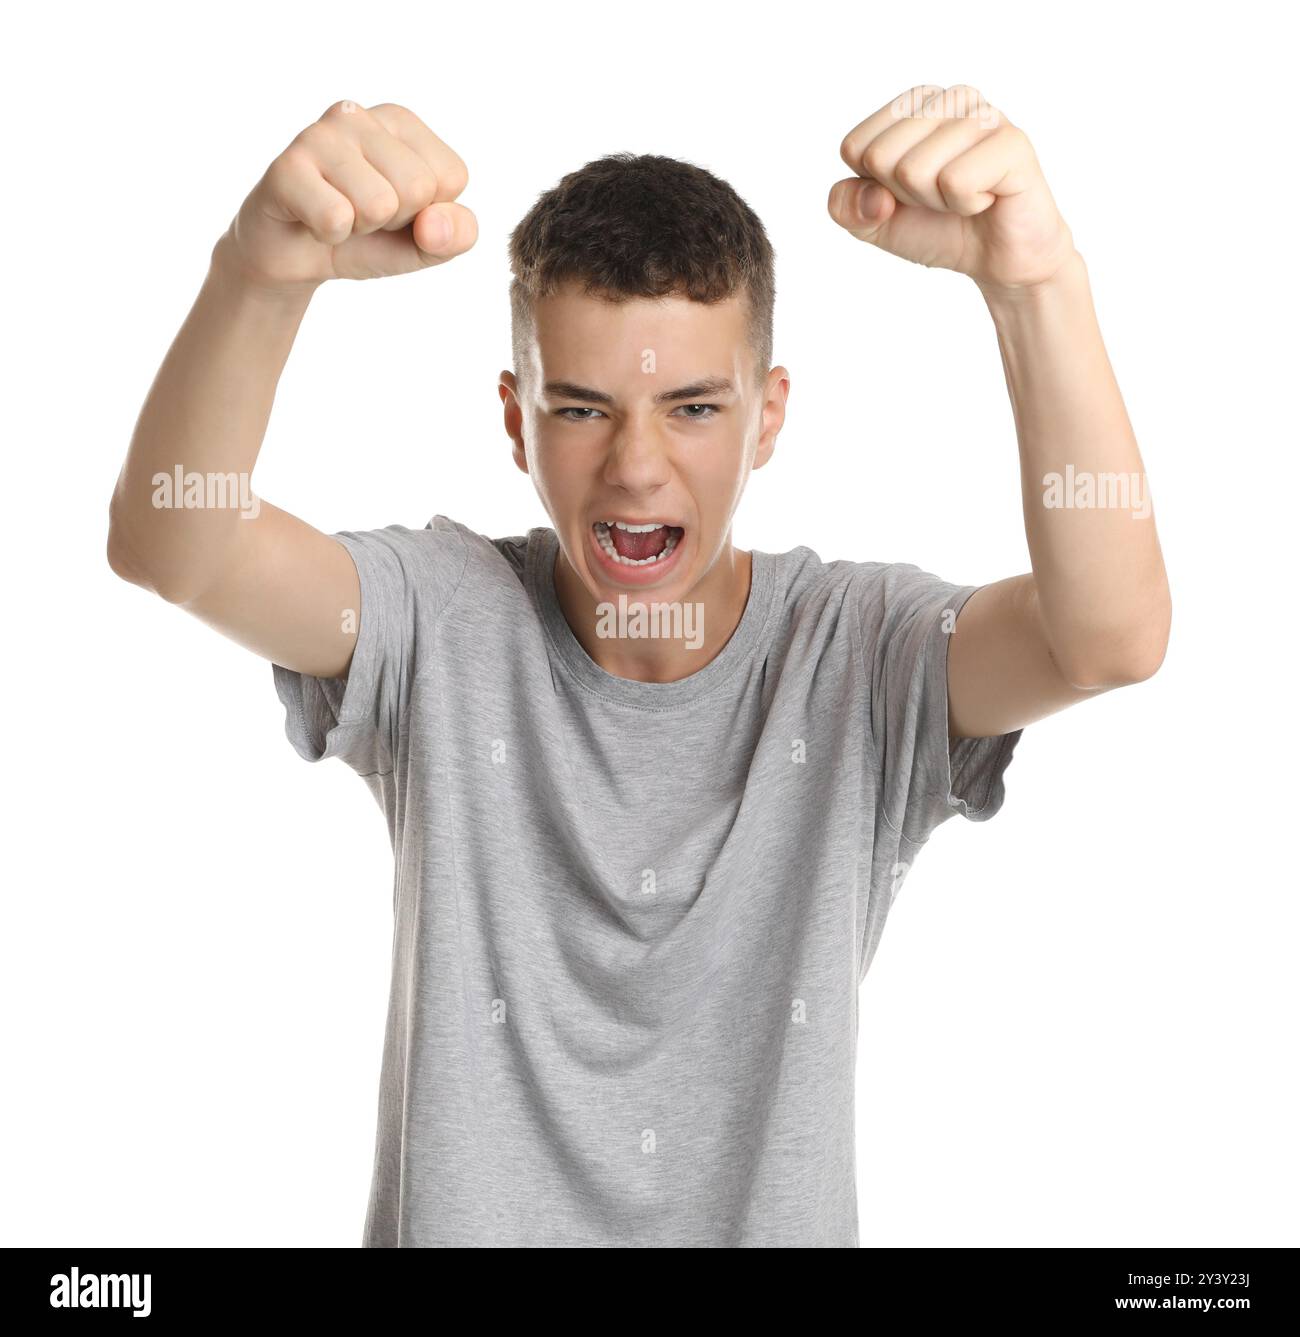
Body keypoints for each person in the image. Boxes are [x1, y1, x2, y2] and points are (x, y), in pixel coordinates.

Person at [107, 87, 1171, 1248]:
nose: (636, 467)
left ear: (767, 419)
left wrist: (1037, 287)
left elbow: (1107, 637)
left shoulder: (854, 653)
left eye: (694, 407)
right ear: (515, 423)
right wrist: (259, 274)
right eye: (581, 408)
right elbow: (179, 542)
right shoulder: (443, 618)